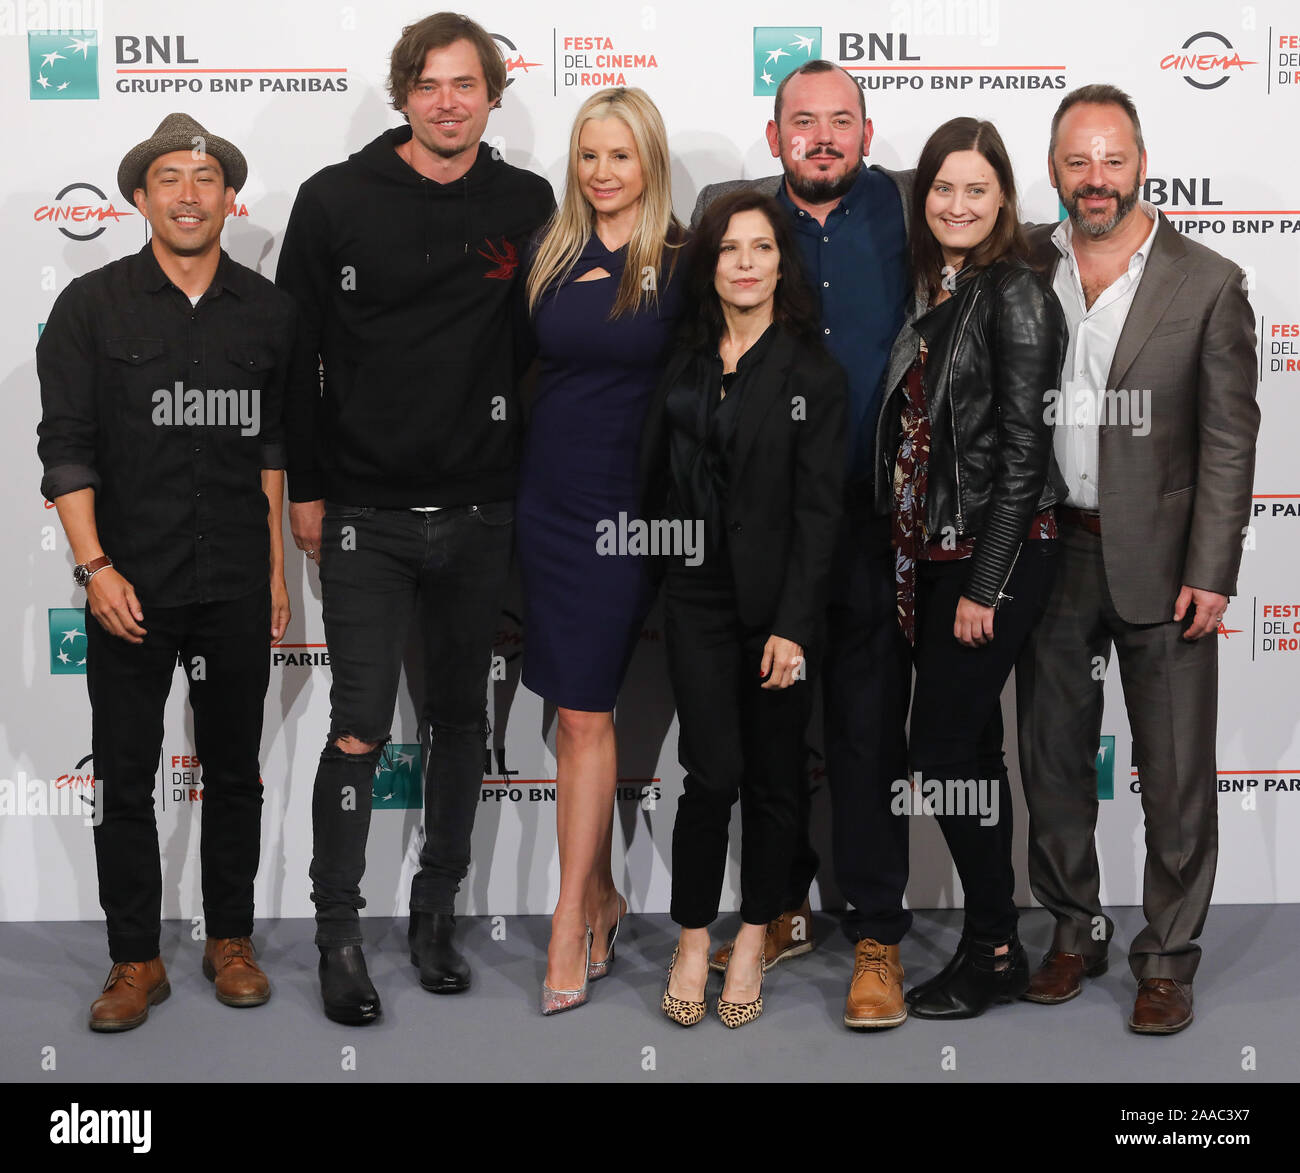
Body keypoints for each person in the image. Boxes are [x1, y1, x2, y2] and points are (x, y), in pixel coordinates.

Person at [276, 12, 554, 1024]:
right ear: (403, 92)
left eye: (466, 85)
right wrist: (305, 489)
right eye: (430, 84)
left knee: (456, 727)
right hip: (361, 513)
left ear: (492, 94)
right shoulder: (335, 199)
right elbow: (292, 359)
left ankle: (436, 917)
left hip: (483, 511)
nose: (448, 102)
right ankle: (338, 936)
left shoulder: (526, 202)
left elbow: (540, 351)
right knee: (356, 730)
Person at [36, 113, 295, 1031]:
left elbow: (273, 445)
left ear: (231, 198)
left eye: (207, 177)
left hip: (231, 577)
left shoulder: (269, 312)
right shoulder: (90, 308)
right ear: (138, 197)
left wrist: (273, 568)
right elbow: (64, 449)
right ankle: (134, 958)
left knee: (234, 774)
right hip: (129, 584)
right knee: (126, 778)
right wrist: (94, 566)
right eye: (170, 178)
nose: (190, 193)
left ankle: (231, 940)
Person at [1015, 85, 1259, 1034]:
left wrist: (1213, 569)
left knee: (1175, 773)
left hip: (1165, 565)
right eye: (1078, 161)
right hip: (1056, 553)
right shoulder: (1025, 268)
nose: (1095, 179)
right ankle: (1072, 929)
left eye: (1112, 160)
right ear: (1054, 171)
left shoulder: (1209, 282)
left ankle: (1166, 955)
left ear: (1142, 164)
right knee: (1055, 763)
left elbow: (1229, 441)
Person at [691, 59, 915, 1029]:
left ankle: (875, 936)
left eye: (840, 122)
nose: (821, 137)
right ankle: (778, 908)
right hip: (760, 543)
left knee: (864, 742)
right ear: (774, 133)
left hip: (866, 524)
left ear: (865, 133)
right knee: (771, 744)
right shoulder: (731, 218)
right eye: (801, 122)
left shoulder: (910, 211)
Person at [874, 118, 1067, 1018]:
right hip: (934, 553)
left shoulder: (1017, 291)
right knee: (969, 749)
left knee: (944, 748)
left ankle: (992, 944)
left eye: (976, 191)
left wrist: (985, 583)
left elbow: (1027, 454)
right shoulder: (941, 287)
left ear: (1003, 200)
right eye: (942, 189)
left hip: (996, 555)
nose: (957, 204)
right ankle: (993, 943)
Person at [641, 190, 846, 1028]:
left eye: (763, 247)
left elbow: (820, 511)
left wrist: (794, 623)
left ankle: (755, 936)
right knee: (709, 774)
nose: (747, 262)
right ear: (710, 264)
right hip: (693, 597)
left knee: (771, 779)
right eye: (731, 249)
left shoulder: (814, 376)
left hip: (777, 613)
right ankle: (695, 937)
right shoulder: (682, 362)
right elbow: (652, 475)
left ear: (782, 264)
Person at [519, 88, 686, 1014]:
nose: (602, 173)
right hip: (545, 504)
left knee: (585, 711)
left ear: (650, 161)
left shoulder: (683, 258)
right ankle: (601, 897)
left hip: (631, 514)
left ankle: (566, 917)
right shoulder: (552, 250)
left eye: (620, 155)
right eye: (589, 155)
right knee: (575, 712)